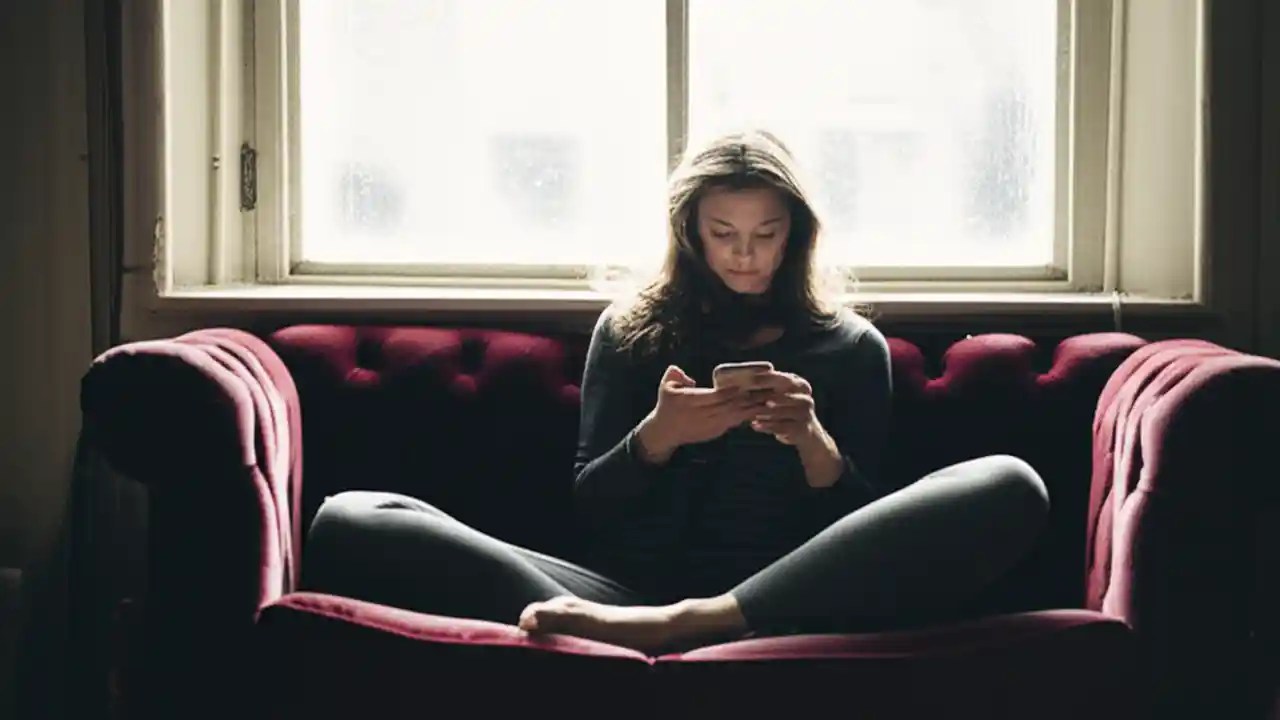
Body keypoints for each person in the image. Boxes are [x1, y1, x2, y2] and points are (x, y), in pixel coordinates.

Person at [301, 130, 1049, 654]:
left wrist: (812, 444)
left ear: (797, 235)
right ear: (690, 232)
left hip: (789, 595)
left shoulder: (849, 347)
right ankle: (655, 624)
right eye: (724, 233)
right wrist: (659, 436)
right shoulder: (630, 332)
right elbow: (590, 510)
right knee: (348, 520)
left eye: (767, 232)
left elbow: (866, 537)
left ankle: (702, 624)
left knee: (1013, 485)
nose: (747, 255)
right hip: (620, 594)